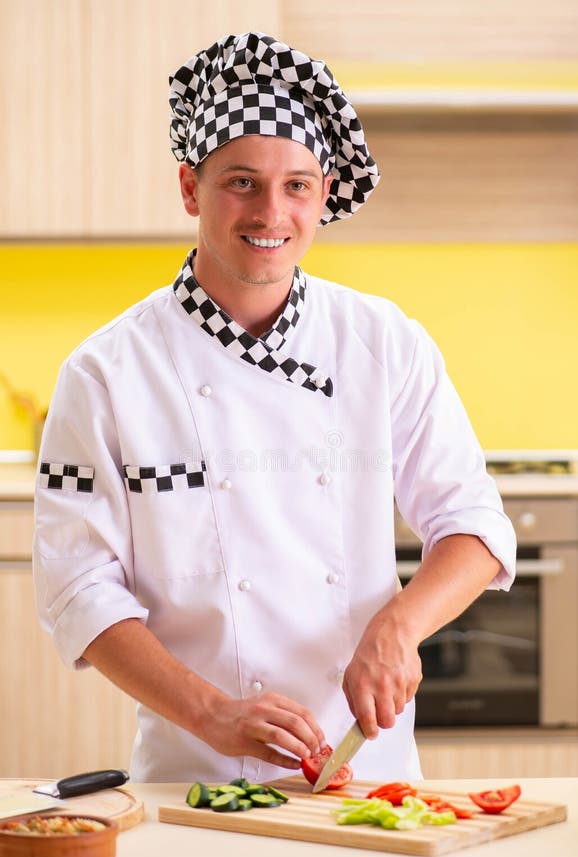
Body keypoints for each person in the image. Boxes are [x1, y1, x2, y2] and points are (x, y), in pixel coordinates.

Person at [33, 32, 516, 784]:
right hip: (196, 775)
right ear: (190, 188)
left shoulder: (384, 342)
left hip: (367, 770)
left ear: (323, 194)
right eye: (242, 182)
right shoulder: (105, 373)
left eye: (296, 185)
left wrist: (401, 624)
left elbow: (475, 524)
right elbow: (77, 587)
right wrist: (210, 714)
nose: (271, 212)